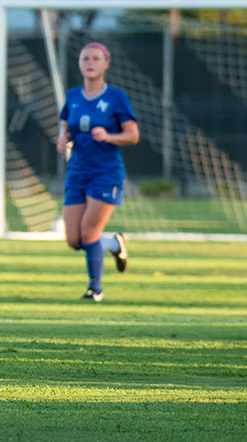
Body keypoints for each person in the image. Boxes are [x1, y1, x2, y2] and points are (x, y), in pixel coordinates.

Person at [57, 43, 136, 301]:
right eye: (85, 59)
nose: (90, 63)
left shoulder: (116, 97)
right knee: (73, 239)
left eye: (95, 58)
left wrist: (109, 136)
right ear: (79, 64)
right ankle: (114, 244)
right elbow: (65, 123)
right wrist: (62, 137)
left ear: (106, 63)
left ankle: (95, 288)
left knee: (89, 232)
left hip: (106, 172)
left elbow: (133, 135)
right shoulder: (72, 96)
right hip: (77, 171)